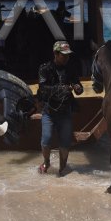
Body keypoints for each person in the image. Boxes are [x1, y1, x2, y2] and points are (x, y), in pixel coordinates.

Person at [36, 40, 84, 175]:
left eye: (68, 55)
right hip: (49, 111)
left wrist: (78, 88)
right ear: (55, 54)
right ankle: (46, 162)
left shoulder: (71, 68)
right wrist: (60, 88)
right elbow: (43, 88)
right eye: (64, 55)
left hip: (65, 110)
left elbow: (78, 87)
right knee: (46, 139)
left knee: (65, 142)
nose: (67, 58)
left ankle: (63, 167)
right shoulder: (44, 68)